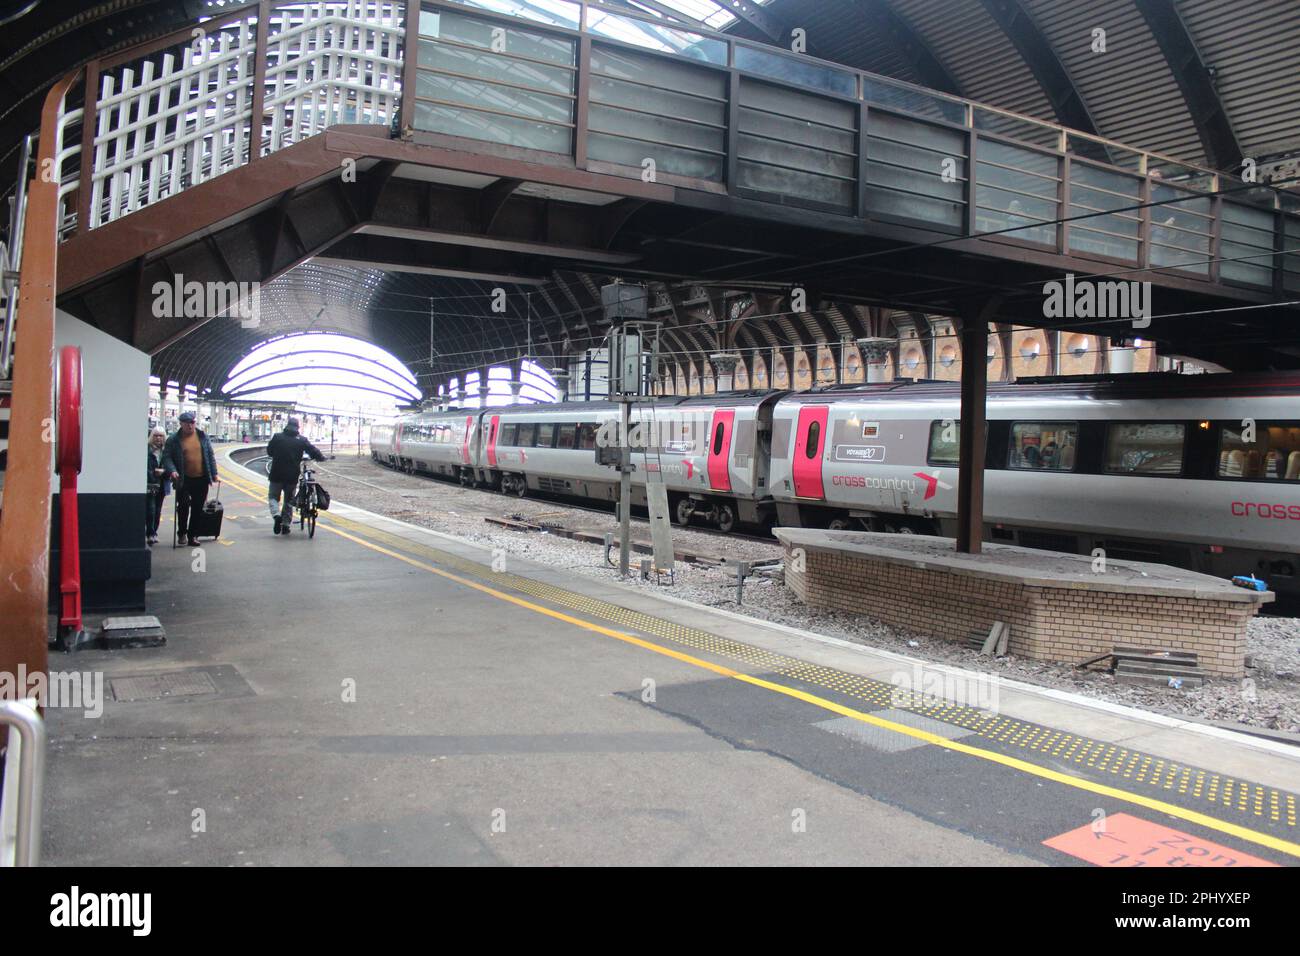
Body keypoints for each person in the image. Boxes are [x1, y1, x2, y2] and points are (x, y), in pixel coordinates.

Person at [161, 411, 219, 546]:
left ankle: (193, 535)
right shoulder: (173, 439)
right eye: (187, 423)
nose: (190, 425)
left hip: (201, 478)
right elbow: (167, 457)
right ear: (181, 424)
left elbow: (210, 455)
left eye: (192, 422)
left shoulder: (202, 436)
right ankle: (182, 533)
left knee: (198, 508)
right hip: (183, 478)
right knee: (183, 506)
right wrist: (172, 471)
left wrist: (214, 473)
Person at [266, 417, 325, 535]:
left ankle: (276, 515)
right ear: (297, 427)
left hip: (276, 474)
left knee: (273, 497)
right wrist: (321, 457)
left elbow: (269, 451)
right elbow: (313, 451)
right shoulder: (301, 440)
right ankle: (286, 525)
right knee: (289, 500)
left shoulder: (277, 437)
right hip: (292, 476)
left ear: (287, 426)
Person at [146, 426, 169, 545]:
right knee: (150, 509)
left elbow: (171, 466)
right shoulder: (146, 450)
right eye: (156, 435)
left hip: (162, 484)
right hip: (150, 484)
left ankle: (154, 532)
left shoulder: (166, 451)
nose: (158, 438)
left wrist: (164, 471)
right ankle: (150, 533)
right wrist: (152, 474)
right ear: (152, 436)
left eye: (161, 436)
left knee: (158, 509)